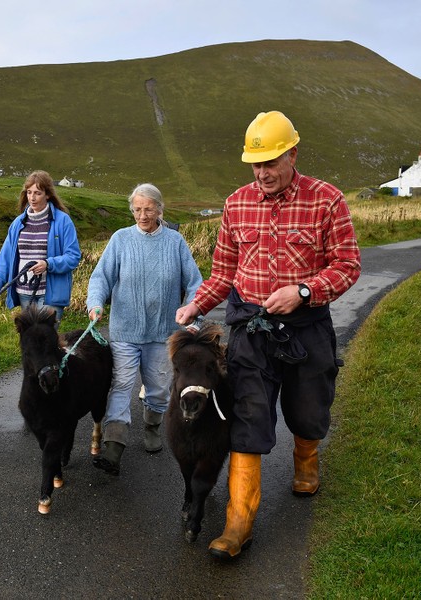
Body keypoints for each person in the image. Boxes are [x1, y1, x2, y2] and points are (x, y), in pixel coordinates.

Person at [175, 111, 361, 559]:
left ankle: (306, 463)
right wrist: (197, 304)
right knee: (247, 416)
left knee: (308, 408)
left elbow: (348, 265)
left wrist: (304, 291)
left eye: (271, 162)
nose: (262, 173)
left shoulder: (327, 200)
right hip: (251, 330)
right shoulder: (236, 203)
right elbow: (223, 273)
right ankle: (238, 522)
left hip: (306, 326)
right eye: (255, 165)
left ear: (292, 154)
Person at [87, 183, 202, 475]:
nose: (142, 215)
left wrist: (193, 315)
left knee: (160, 388)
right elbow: (101, 277)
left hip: (163, 333)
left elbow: (195, 283)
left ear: (160, 210)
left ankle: (152, 426)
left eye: (148, 209)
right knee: (121, 384)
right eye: (137, 209)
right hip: (125, 331)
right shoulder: (120, 239)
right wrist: (95, 303)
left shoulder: (175, 242)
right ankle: (114, 445)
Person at [0, 170, 81, 327]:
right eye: (29, 192)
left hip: (51, 295)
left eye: (37, 193)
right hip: (24, 293)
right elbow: (4, 261)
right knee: (29, 338)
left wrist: (48, 264)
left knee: (45, 338)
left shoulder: (63, 221)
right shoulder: (17, 224)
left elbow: (73, 256)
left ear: (47, 195)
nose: (32, 198)